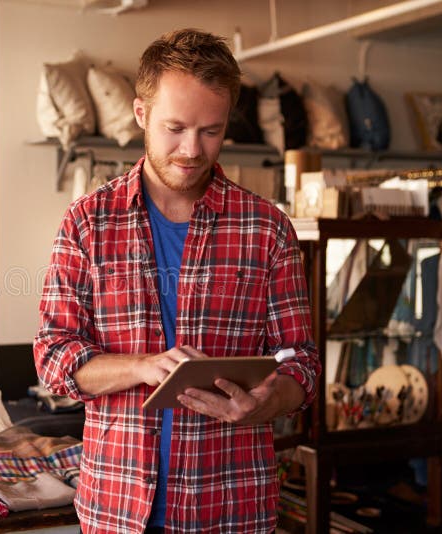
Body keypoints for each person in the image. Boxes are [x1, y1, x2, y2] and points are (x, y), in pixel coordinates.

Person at [34, 29, 320, 533]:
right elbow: (55, 359)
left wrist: (264, 404)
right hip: (117, 507)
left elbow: (302, 362)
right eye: (175, 128)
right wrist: (143, 367)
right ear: (141, 114)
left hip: (232, 507)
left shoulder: (267, 229)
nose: (191, 149)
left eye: (211, 131)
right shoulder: (87, 223)